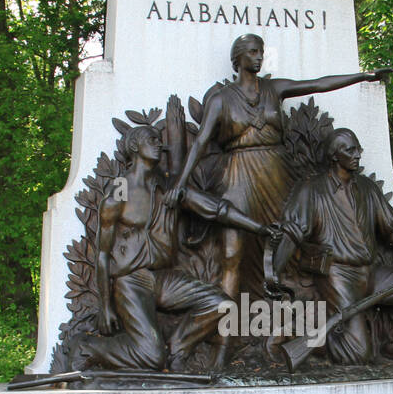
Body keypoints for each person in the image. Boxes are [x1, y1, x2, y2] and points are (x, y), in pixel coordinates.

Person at [165, 33, 391, 307]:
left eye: (261, 51)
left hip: (277, 173)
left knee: (289, 240)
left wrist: (363, 76)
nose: (259, 56)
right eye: (252, 51)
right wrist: (181, 181)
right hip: (239, 176)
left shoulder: (274, 89)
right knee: (233, 251)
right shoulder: (221, 99)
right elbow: (201, 141)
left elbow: (317, 84)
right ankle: (223, 326)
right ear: (238, 58)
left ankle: (284, 314)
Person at [82, 125, 270, 371]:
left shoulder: (170, 187)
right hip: (131, 280)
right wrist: (105, 306)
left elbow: (218, 210)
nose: (159, 144)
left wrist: (261, 228)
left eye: (159, 139)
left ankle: (178, 349)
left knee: (222, 304)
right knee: (150, 357)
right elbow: (103, 253)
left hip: (161, 278)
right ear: (134, 147)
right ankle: (87, 347)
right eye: (152, 139)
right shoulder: (120, 189)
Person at [267, 128, 393, 366]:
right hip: (337, 275)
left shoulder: (367, 188)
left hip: (372, 272)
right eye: (350, 150)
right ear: (334, 155)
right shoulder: (312, 190)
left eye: (358, 148)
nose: (357, 154)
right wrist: (273, 273)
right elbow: (292, 234)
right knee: (358, 354)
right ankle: (303, 333)